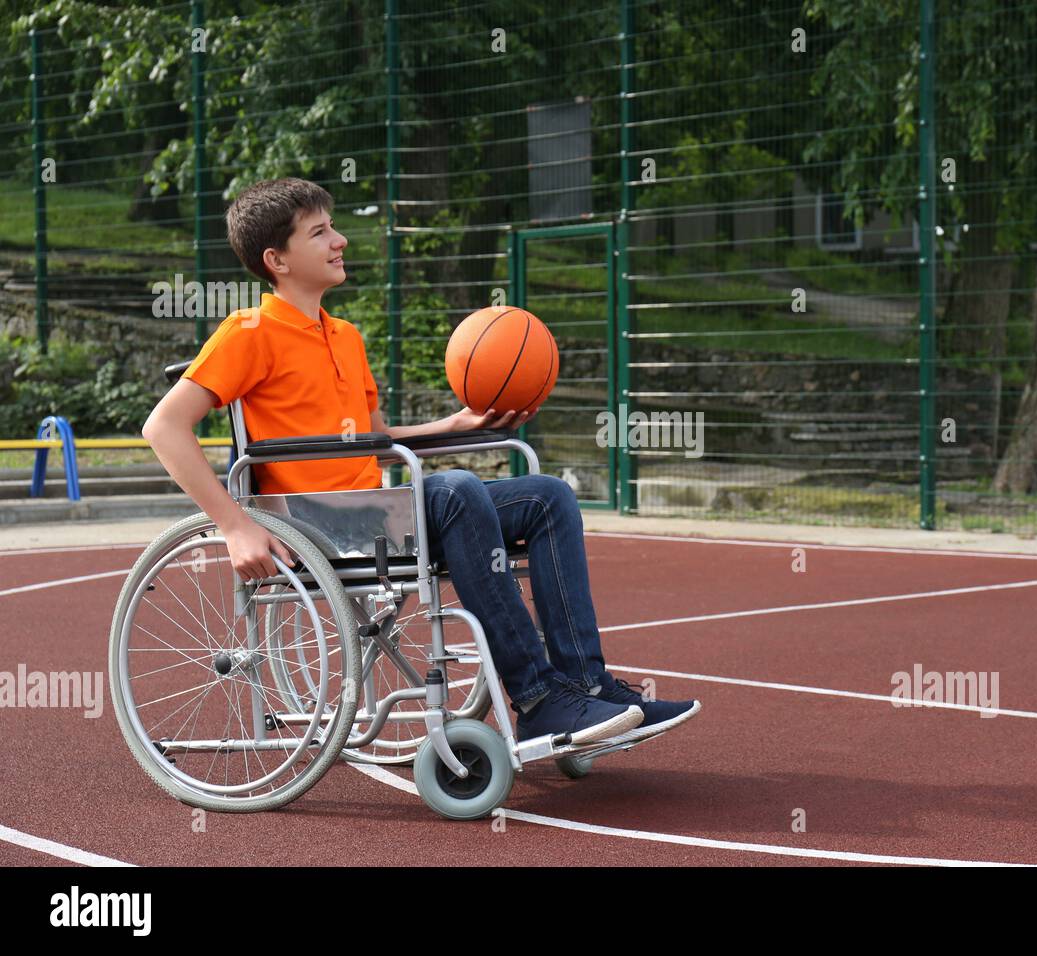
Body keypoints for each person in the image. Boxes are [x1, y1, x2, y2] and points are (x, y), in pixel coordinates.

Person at [142, 177, 700, 749]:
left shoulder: (345, 336)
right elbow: (163, 426)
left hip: (375, 512)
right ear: (276, 259)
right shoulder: (247, 333)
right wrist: (235, 525)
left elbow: (374, 437)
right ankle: (538, 697)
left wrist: (454, 426)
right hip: (316, 521)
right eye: (320, 232)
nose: (341, 240)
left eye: (333, 227)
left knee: (547, 497)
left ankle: (588, 687)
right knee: (454, 491)